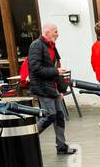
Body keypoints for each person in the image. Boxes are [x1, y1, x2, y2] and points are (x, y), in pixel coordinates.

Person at [27, 22, 76, 155]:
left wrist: (60, 90)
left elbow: (56, 67)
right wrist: (55, 71)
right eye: (55, 31)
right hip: (43, 88)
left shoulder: (52, 46)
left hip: (52, 88)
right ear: (47, 32)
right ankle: (27, 138)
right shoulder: (36, 45)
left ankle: (61, 146)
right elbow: (35, 68)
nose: (57, 34)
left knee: (59, 116)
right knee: (50, 116)